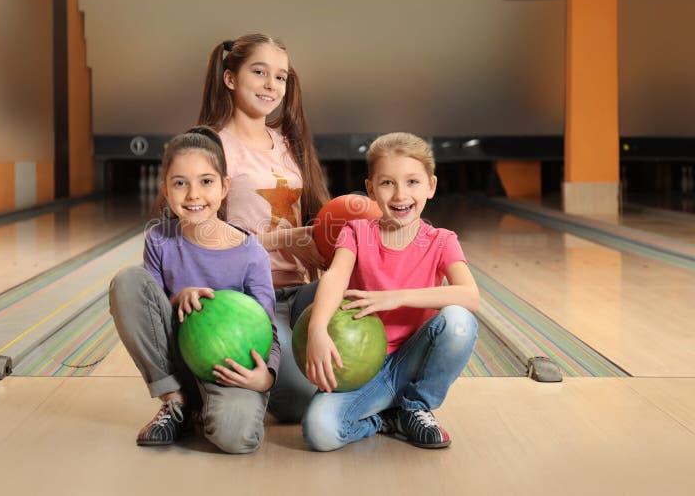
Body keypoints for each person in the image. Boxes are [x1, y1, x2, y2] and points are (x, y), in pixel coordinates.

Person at [301, 132, 479, 451]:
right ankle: (386, 418)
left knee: (459, 321)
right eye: (387, 183)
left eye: (412, 182)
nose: (400, 194)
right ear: (370, 189)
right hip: (363, 366)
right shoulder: (356, 232)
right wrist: (316, 328)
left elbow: (470, 295)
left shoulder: (442, 240)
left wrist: (398, 296)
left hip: (412, 358)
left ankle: (414, 405)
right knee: (319, 432)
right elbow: (335, 277)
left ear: (431, 186)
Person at [109, 127, 278, 454]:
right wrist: (178, 297)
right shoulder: (159, 240)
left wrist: (266, 378)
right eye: (180, 183)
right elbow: (150, 310)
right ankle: (176, 402)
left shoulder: (250, 252)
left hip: (228, 367)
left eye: (206, 181)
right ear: (165, 190)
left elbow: (265, 325)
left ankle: (202, 406)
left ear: (225, 187)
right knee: (128, 280)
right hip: (179, 358)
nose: (193, 195)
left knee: (237, 439)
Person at [198, 33, 331, 422]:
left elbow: (313, 219)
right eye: (260, 72)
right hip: (251, 297)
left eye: (281, 77)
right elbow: (203, 240)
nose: (272, 85)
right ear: (230, 78)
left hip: (301, 291)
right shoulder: (212, 147)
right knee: (303, 405)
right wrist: (284, 238)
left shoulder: (288, 141)